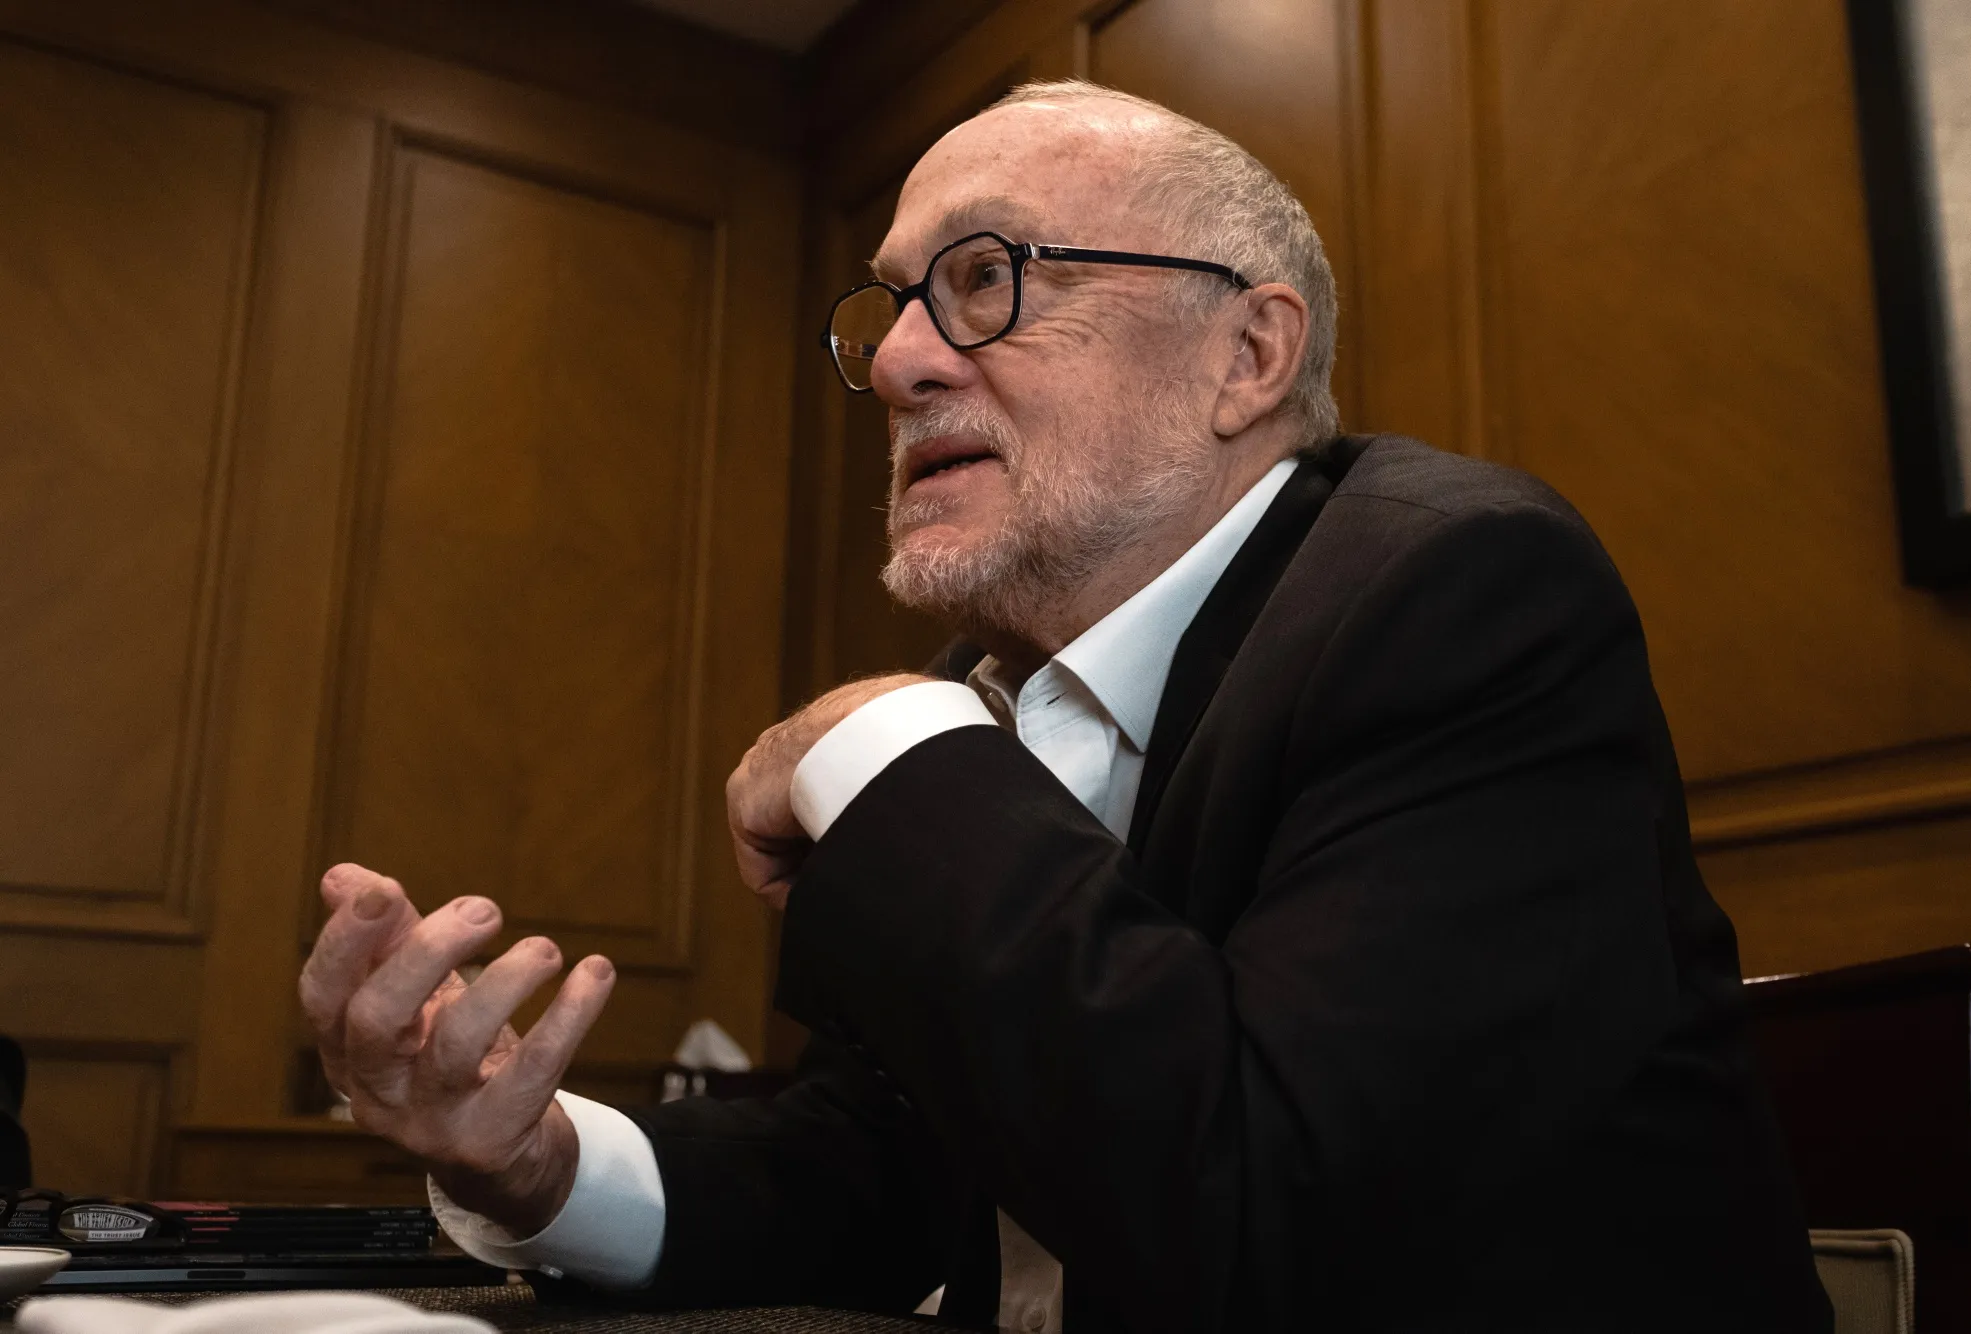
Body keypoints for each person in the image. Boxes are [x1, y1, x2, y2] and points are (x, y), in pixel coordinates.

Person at [298, 81, 1832, 1331]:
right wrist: (537, 1164)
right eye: (894, 306)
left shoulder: (1460, 595)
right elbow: (881, 1168)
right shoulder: (974, 713)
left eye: (985, 278)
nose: (899, 363)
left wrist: (871, 743)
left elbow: (1274, 1220)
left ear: (1248, 353)